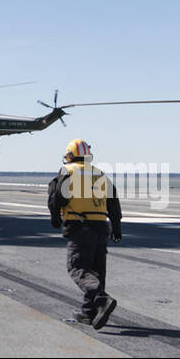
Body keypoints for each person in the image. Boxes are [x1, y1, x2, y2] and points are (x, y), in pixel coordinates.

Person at [47, 139, 121, 330]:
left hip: (80, 226)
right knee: (96, 271)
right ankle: (89, 312)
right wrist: (117, 227)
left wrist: (55, 218)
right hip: (101, 226)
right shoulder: (99, 173)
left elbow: (56, 196)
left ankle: (101, 299)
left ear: (70, 156)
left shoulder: (67, 171)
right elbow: (113, 201)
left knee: (77, 268)